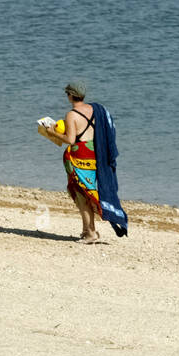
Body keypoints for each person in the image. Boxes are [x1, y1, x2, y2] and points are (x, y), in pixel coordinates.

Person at [43, 81, 104, 243]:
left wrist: (51, 132)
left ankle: (91, 234)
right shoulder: (94, 110)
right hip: (93, 152)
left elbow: (70, 140)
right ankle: (88, 230)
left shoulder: (72, 114)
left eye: (67, 94)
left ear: (70, 95)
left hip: (80, 155)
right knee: (89, 190)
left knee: (81, 194)